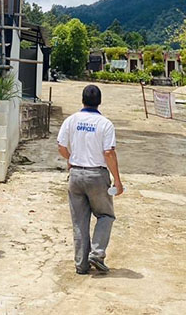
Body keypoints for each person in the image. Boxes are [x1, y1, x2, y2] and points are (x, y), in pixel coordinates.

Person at [57, 84, 124, 274]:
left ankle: (81, 264)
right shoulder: (105, 124)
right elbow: (109, 153)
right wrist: (117, 180)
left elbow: (61, 146)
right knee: (105, 215)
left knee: (79, 221)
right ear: (99, 102)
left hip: (76, 175)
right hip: (97, 175)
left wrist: (71, 159)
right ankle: (97, 252)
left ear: (82, 100)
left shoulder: (71, 120)